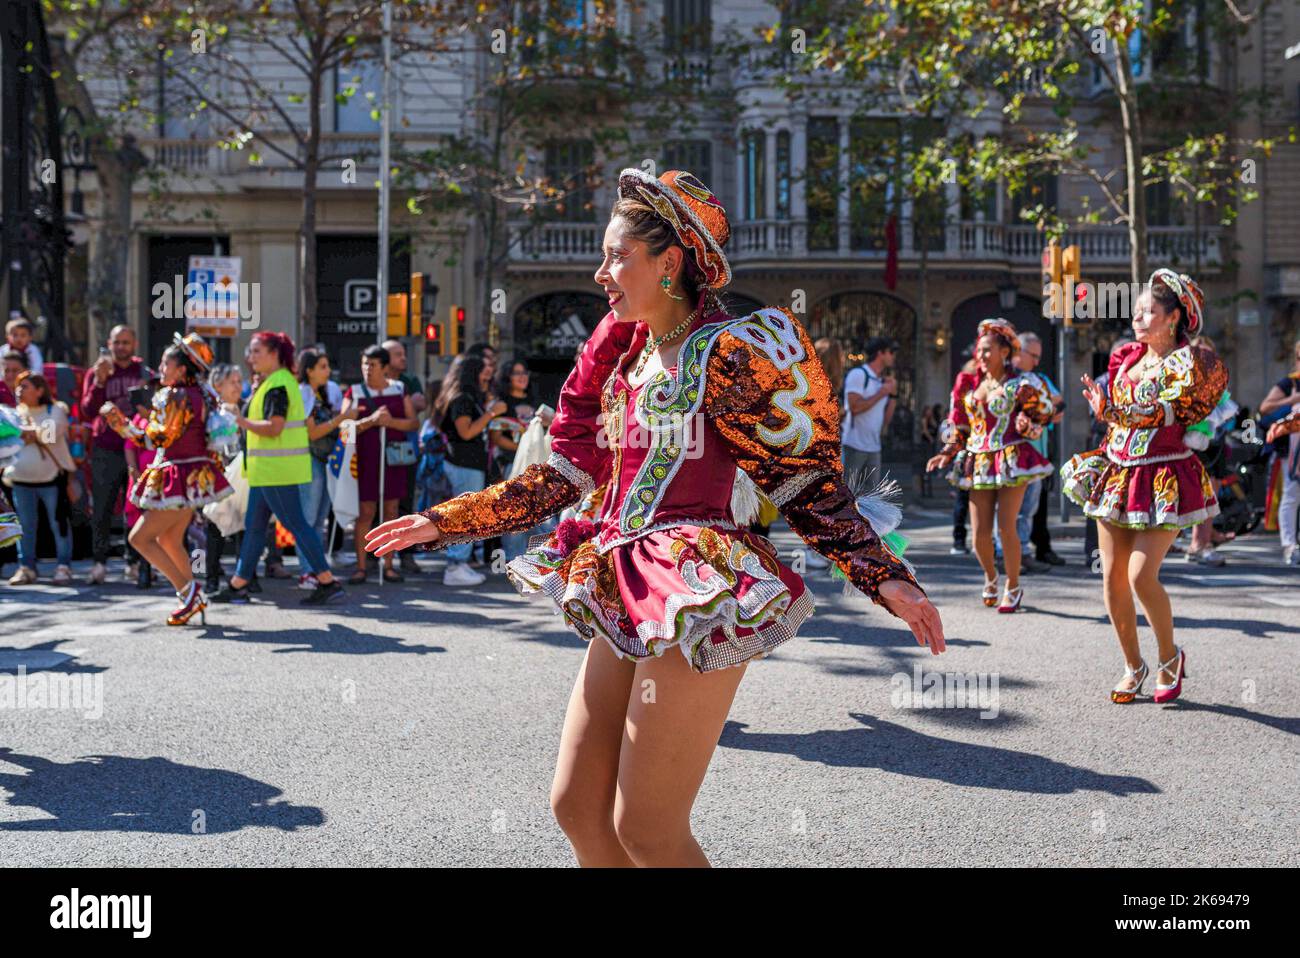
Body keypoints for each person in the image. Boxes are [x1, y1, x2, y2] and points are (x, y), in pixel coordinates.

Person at [365, 167, 944, 868]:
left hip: (699, 584)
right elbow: (566, 476)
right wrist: (445, 521)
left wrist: (885, 577)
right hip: (623, 581)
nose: (602, 271)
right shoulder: (625, 361)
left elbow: (803, 483)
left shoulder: (732, 353)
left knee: (645, 828)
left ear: (670, 262)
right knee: (577, 806)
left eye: (618, 256)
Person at [1061, 270, 1227, 704]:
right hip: (1118, 472)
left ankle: (1170, 656)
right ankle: (1134, 666)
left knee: (1140, 574)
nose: (1137, 317)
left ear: (1173, 318)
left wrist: (1112, 411)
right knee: (1112, 579)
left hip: (1166, 473)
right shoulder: (1127, 359)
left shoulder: (1187, 365)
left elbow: (1156, 414)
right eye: (1135, 310)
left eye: (1148, 310)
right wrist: (1108, 414)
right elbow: (1119, 415)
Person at [98, 334, 233, 624]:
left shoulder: (176, 396)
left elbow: (158, 438)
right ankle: (191, 598)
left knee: (139, 538)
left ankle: (188, 591)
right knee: (169, 539)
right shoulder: (199, 394)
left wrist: (121, 424)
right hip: (193, 475)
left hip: (180, 475)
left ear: (182, 369)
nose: (160, 368)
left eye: (165, 363)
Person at [927, 319, 1054, 612]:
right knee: (979, 534)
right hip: (979, 459)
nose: (981, 356)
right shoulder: (968, 383)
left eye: (987, 350)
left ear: (1004, 351)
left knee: (1007, 527)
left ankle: (1013, 585)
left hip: (1012, 459)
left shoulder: (1020, 383)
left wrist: (1029, 420)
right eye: (979, 350)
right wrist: (947, 451)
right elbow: (957, 423)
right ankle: (990, 577)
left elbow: (1045, 412)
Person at [208, 331, 344, 605]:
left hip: (276, 471)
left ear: (274, 354)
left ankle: (327, 581)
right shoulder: (274, 383)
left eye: (257, 351)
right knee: (256, 527)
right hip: (266, 471)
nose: (251, 357)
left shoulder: (278, 385)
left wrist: (241, 421)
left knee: (296, 525)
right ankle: (239, 583)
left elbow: (275, 427)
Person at [80, 324, 148, 584]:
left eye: (125, 342)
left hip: (136, 447)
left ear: (134, 345)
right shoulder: (97, 371)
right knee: (103, 506)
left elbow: (150, 407)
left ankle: (134, 561)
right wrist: (99, 381)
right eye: (116, 342)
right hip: (106, 448)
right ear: (108, 344)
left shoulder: (142, 371)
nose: (120, 347)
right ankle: (99, 562)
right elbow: (87, 410)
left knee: (135, 506)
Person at [430, 354, 505, 586]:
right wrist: (491, 413)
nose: (488, 372)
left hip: (470, 463)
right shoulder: (461, 399)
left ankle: (459, 563)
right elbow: (466, 432)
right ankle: (455, 565)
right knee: (464, 514)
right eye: (483, 369)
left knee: (467, 513)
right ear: (472, 372)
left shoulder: (468, 397)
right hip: (463, 463)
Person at [346, 344, 418, 584]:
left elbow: (412, 423)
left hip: (393, 460)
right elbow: (345, 427)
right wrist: (371, 421)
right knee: (366, 511)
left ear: (385, 368)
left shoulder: (399, 389)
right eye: (365, 364)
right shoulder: (354, 392)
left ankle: (388, 564)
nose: (367, 369)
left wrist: (390, 422)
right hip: (365, 461)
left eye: (373, 364)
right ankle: (361, 566)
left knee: (391, 511)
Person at [3, 372, 75, 585]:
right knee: (24, 525)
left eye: (24, 386)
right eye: (17, 387)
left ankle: (63, 566)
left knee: (58, 522)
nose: (19, 391)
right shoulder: (14, 413)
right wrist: (30, 432)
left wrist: (21, 432)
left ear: (40, 390)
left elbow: (50, 435)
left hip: (52, 479)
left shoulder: (56, 410)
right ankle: (26, 567)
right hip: (20, 480)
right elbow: (6, 436)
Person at [1007, 331, 1065, 573]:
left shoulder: (1039, 378)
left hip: (1037, 455)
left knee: (1029, 508)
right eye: (1033, 355)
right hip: (1013, 454)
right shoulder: (1008, 378)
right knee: (1011, 509)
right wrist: (1043, 408)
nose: (1038, 360)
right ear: (1018, 352)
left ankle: (1024, 552)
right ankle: (1007, 554)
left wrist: (1043, 410)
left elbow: (1059, 405)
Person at [297, 348, 350, 589]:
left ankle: (317, 570)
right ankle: (307, 571)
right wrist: (340, 419)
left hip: (326, 460)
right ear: (308, 371)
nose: (328, 371)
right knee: (308, 520)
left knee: (319, 521)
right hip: (309, 459)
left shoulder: (327, 392)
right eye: (323, 367)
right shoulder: (304, 393)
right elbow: (312, 432)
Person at [382, 339, 427, 575]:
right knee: (377, 503)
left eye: (403, 353)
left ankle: (406, 554)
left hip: (405, 451)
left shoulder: (409, 380)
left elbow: (420, 404)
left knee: (405, 502)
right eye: (398, 354)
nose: (403, 358)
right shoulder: (377, 380)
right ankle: (375, 554)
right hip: (379, 451)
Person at [203, 363, 246, 594]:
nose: (238, 387)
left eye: (240, 382)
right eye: (233, 382)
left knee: (243, 526)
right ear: (218, 385)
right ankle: (211, 577)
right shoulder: (210, 412)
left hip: (242, 475)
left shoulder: (246, 409)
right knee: (214, 526)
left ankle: (243, 578)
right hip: (216, 474)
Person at [1259, 338, 1300, 564]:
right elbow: (1265, 408)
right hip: (1292, 450)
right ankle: (1289, 545)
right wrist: (1292, 399)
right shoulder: (1290, 383)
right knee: (1291, 495)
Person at [842, 337, 898, 480]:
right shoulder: (859, 374)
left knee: (872, 498)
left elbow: (886, 420)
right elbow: (854, 407)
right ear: (881, 353)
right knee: (848, 493)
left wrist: (893, 396)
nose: (893, 356)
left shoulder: (881, 380)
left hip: (874, 447)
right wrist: (881, 393)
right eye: (891, 352)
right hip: (854, 446)